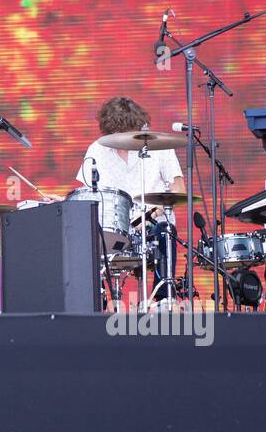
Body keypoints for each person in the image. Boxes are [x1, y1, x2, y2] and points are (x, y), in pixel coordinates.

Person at [78, 96, 186, 299]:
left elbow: (178, 188)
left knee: (166, 230)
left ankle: (163, 298)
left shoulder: (159, 147)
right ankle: (94, 302)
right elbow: (86, 194)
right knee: (84, 236)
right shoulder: (96, 150)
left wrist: (149, 214)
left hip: (153, 224)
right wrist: (60, 200)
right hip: (113, 226)